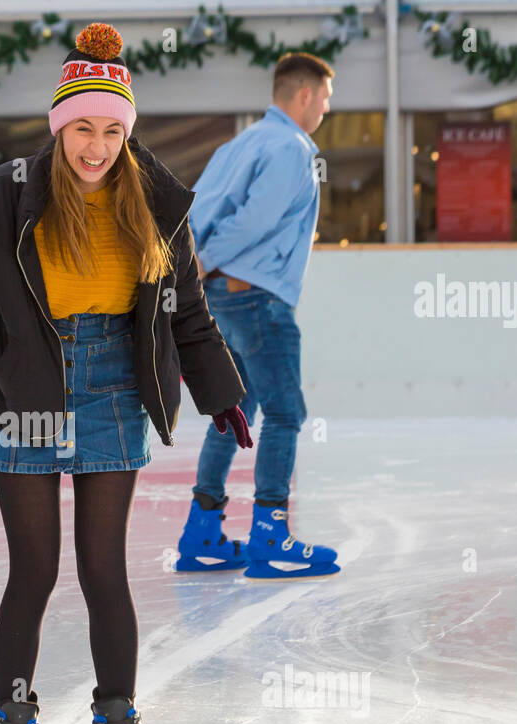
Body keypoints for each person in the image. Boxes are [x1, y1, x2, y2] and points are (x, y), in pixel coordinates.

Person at [0, 22, 251, 724]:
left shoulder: (157, 202)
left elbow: (189, 315)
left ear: (125, 132)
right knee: (32, 574)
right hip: (27, 380)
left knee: (105, 570)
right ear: (59, 126)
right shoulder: (5, 194)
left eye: (111, 129)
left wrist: (219, 391)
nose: (96, 146)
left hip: (111, 385)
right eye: (82, 128)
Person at [175, 52, 341, 579]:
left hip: (224, 296)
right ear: (306, 95)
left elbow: (196, 209)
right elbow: (255, 220)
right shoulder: (291, 148)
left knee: (237, 409)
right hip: (256, 297)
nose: (327, 109)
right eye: (327, 98)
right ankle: (270, 534)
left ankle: (202, 530)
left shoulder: (240, 143)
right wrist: (205, 260)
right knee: (286, 412)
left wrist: (201, 266)